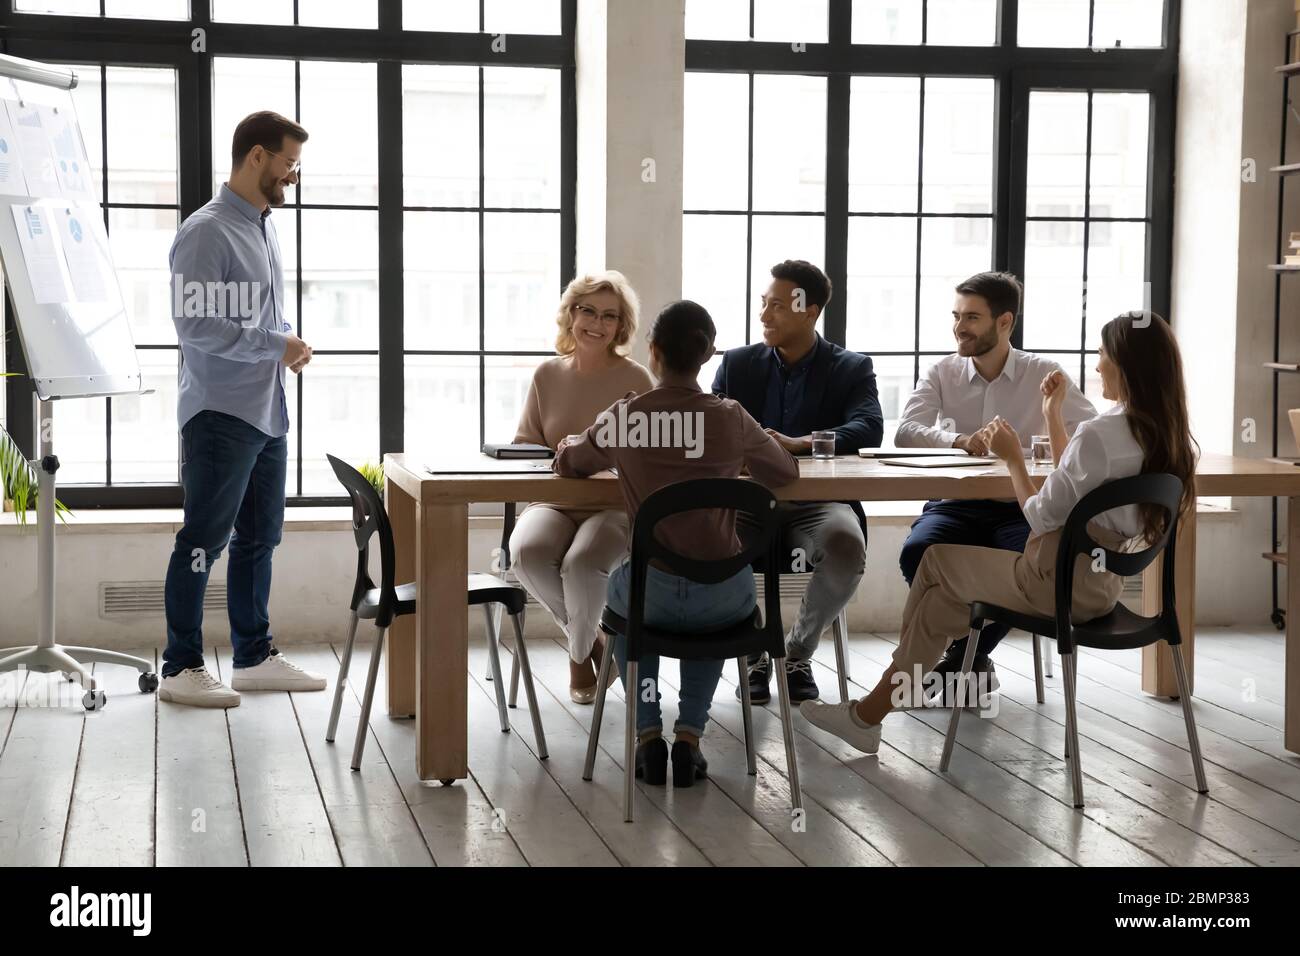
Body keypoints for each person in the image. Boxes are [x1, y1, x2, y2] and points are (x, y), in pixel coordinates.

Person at [801, 312, 1197, 752]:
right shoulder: (1167, 435)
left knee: (933, 558)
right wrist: (1052, 417)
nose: (1097, 363)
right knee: (936, 607)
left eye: (1103, 354)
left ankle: (896, 688)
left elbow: (1041, 517)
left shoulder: (1102, 433)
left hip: (1049, 582)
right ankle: (870, 714)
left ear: (1126, 363)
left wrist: (1012, 458)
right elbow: (1081, 481)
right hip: (1100, 587)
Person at [554, 300, 799, 786]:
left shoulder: (626, 414)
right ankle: (688, 738)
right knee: (712, 605)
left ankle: (648, 738)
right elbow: (784, 473)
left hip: (651, 595)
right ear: (708, 354)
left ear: (653, 351)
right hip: (724, 596)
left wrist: (569, 444)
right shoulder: (731, 416)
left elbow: (572, 464)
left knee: (628, 611)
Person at [160, 111, 326, 707]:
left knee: (260, 538)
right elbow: (195, 325)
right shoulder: (206, 232)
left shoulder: (263, 224)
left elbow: (253, 317)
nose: (293, 176)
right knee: (204, 539)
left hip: (265, 410)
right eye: (288, 163)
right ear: (256, 157)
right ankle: (180, 666)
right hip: (220, 415)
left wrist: (288, 341)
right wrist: (272, 344)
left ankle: (252, 656)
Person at [894, 271, 1096, 697]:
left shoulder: (1045, 372)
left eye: (971, 318)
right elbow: (906, 430)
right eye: (956, 316)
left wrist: (1037, 438)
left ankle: (961, 660)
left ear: (1004, 322)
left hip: (1020, 507)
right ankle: (973, 658)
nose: (958, 328)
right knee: (917, 552)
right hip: (954, 505)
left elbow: (1089, 435)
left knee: (1025, 564)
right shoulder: (942, 372)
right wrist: (959, 440)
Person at [711, 259, 883, 703]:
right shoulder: (738, 363)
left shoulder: (851, 367)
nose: (764, 316)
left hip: (819, 502)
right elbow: (706, 424)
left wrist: (800, 443)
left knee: (847, 547)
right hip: (747, 501)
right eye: (763, 305)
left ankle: (796, 656)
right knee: (710, 542)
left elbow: (869, 428)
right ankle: (753, 656)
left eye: (777, 307)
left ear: (811, 311)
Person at [509, 271, 656, 702]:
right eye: (587, 310)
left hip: (613, 507)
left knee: (581, 563)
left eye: (609, 315)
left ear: (621, 325)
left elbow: (648, 459)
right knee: (526, 553)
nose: (597, 322)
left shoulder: (638, 380)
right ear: (570, 314)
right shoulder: (546, 375)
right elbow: (526, 448)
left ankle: (577, 662)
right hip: (553, 502)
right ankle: (593, 643)